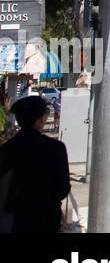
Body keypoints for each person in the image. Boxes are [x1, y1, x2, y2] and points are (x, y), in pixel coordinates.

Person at [0, 95, 71, 234]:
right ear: (42, 119)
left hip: (11, 223)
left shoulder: (5, 150)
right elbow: (62, 189)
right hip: (45, 221)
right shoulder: (55, 148)